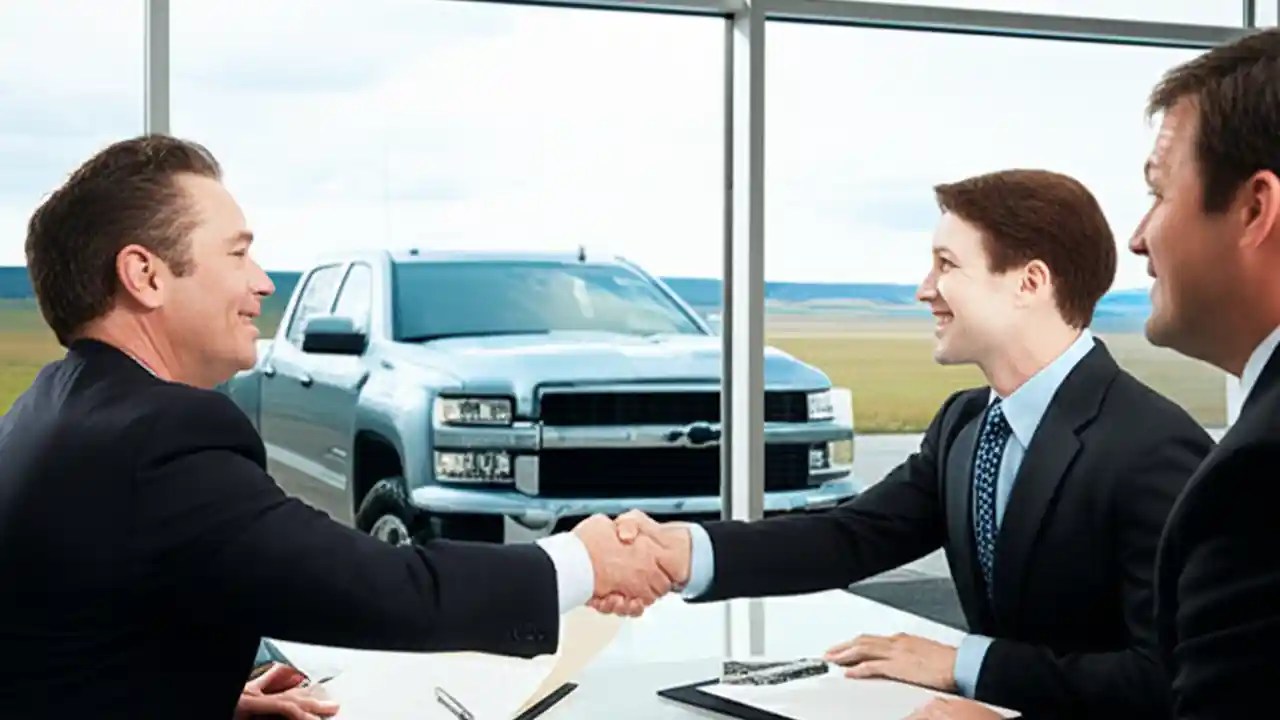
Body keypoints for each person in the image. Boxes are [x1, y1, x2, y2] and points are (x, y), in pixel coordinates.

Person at [0, 135, 682, 719]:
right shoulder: (159, 435)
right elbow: (388, 592)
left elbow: (70, 646)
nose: (263, 282)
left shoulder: (51, 406)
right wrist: (584, 560)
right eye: (238, 254)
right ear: (144, 275)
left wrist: (209, 698)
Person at [597, 169, 1215, 719]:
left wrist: (962, 662)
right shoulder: (965, 425)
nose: (925, 290)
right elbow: (851, 534)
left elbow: (1165, 681)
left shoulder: (1153, 450)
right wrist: (681, 550)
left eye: (947, 265)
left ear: (1029, 282)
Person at [904, 26, 1280, 720]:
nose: (1138, 237)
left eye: (1159, 194)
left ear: (1255, 210)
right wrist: (683, 550)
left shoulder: (1244, 470)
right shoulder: (963, 426)